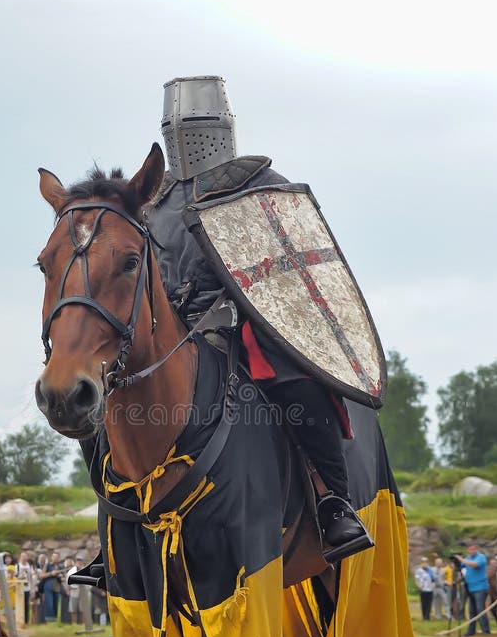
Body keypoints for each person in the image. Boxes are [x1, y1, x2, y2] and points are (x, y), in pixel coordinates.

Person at [147, 75, 372, 564]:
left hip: (242, 327)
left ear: (222, 126)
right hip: (172, 338)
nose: (188, 134)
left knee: (294, 381)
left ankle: (331, 500)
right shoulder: (152, 203)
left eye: (198, 124)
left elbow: (292, 274)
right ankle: (121, 525)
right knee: (111, 402)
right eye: (178, 125)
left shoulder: (261, 186)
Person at [457, 544, 491, 636]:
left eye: (474, 549)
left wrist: (461, 559)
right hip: (470, 587)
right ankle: (471, 631)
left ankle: (486, 630)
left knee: (480, 609)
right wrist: (456, 561)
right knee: (472, 610)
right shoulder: (468, 558)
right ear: (468, 550)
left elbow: (475, 565)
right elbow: (462, 566)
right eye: (470, 549)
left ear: (476, 549)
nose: (472, 551)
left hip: (480, 587)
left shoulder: (481, 557)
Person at [15, 551, 34, 624]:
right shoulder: (18, 566)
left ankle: (26, 620)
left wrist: (32, 588)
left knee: (26, 604)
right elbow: (15, 577)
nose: (24, 558)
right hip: (20, 588)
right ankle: (20, 620)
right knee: (20, 605)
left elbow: (31, 578)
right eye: (22, 556)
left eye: (25, 556)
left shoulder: (29, 566)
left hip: (27, 588)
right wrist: (20, 577)